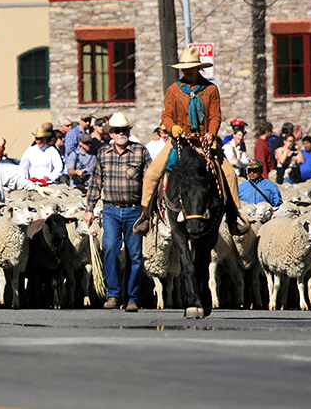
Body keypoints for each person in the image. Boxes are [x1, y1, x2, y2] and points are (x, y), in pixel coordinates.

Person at [135, 47, 244, 237]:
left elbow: (215, 116)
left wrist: (210, 134)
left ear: (198, 68)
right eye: (185, 68)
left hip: (204, 143)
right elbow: (166, 115)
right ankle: (146, 216)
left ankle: (234, 219)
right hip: (178, 142)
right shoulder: (173, 90)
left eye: (192, 68)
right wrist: (173, 128)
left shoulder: (210, 89)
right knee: (152, 174)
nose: (188, 71)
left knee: (230, 176)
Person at [84, 112, 150, 313]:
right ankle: (113, 295)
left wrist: (149, 210)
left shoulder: (141, 152)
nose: (120, 133)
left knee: (135, 255)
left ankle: (132, 298)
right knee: (110, 248)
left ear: (129, 131)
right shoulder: (103, 153)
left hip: (135, 210)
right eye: (116, 130)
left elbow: (150, 182)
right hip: (111, 209)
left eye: (124, 130)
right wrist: (89, 209)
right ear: (110, 134)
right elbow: (95, 183)